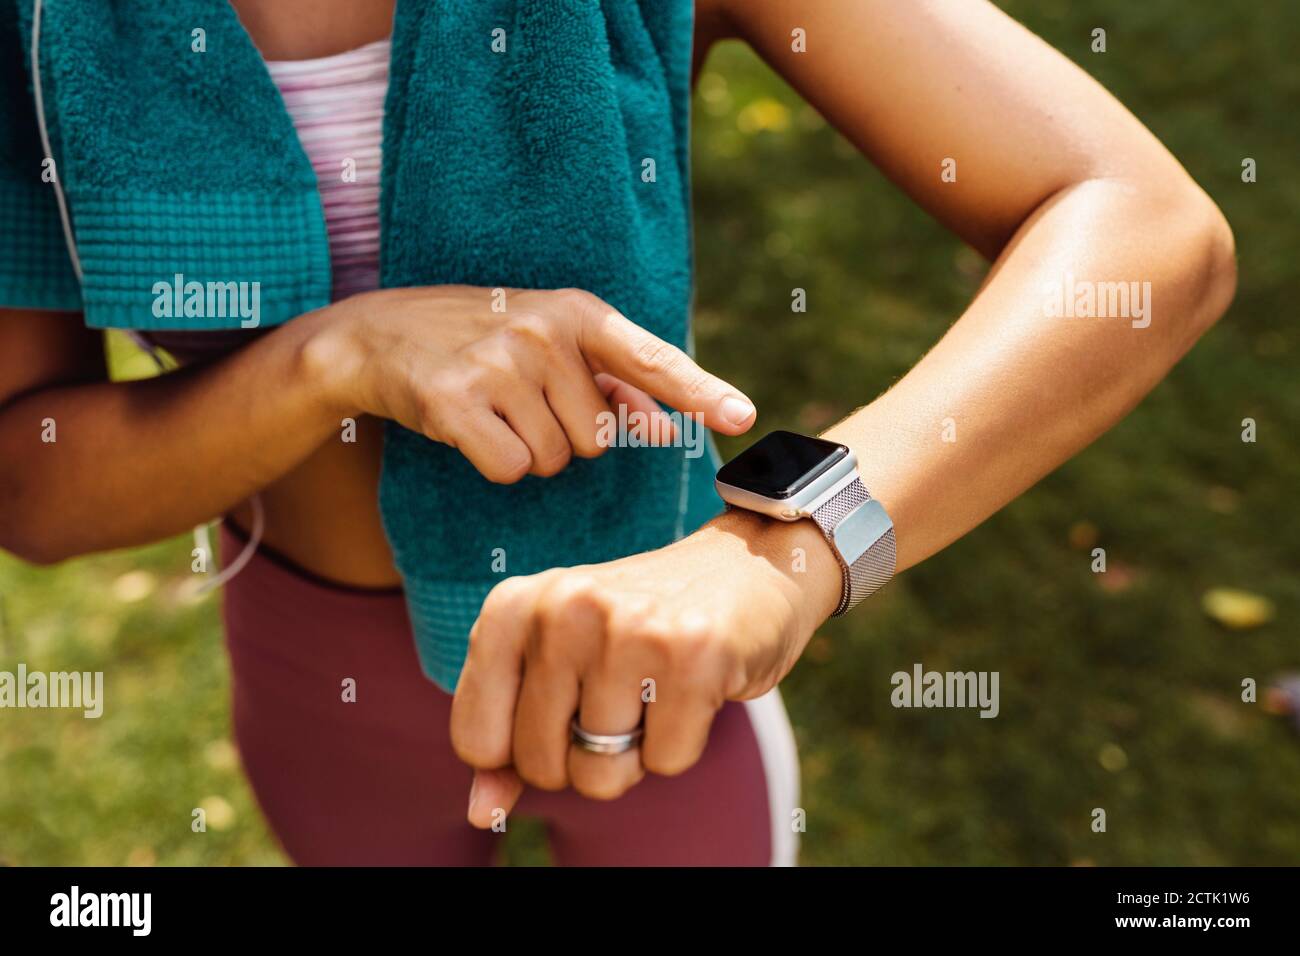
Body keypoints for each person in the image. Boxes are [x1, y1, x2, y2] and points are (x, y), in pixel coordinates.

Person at [0, 0, 1235, 866]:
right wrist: (336, 358)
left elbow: (1145, 228)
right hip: (312, 671)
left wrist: (787, 548)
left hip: (666, 661)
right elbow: (34, 484)